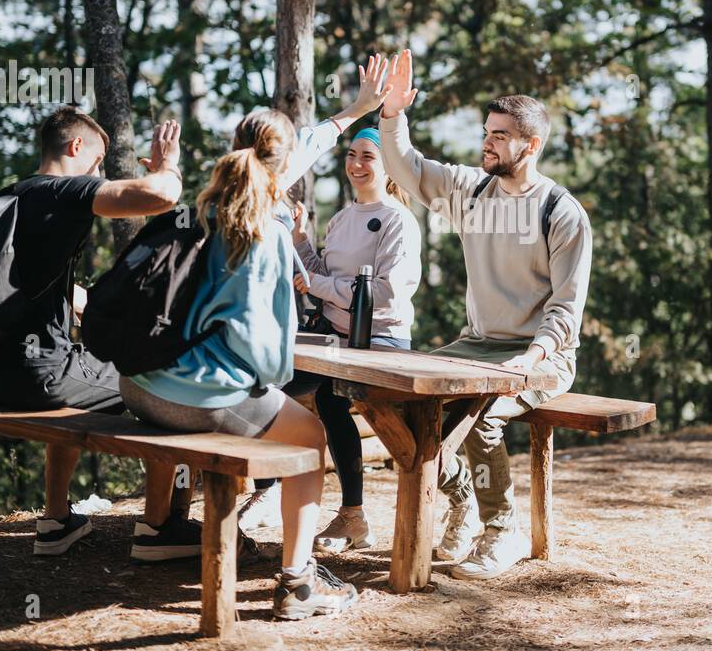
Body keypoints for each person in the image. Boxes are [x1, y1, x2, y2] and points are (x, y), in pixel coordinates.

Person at [119, 60, 390, 618]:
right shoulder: (263, 228)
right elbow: (269, 357)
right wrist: (269, 386)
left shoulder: (203, 206)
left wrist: (356, 110)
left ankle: (157, 529)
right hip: (192, 397)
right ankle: (298, 584)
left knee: (238, 410)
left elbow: (299, 148)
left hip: (136, 385)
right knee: (310, 439)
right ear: (283, 166)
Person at [377, 49, 593, 581]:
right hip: (475, 344)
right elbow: (407, 166)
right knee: (397, 400)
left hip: (544, 356)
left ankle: (503, 530)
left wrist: (530, 357)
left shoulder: (561, 212)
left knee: (484, 417)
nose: (487, 142)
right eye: (487, 132)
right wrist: (392, 116)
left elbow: (566, 308)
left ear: (531, 145)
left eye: (500, 135)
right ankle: (463, 502)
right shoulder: (472, 189)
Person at [0, 107, 183, 556]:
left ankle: (56, 522)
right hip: (39, 375)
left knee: (77, 366)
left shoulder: (13, 196)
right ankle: (159, 529)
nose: (98, 172)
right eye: (97, 160)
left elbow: (38, 289)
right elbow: (160, 197)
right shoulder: (65, 191)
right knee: (168, 389)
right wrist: (168, 163)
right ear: (75, 148)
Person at [280, 126, 421, 554]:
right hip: (334, 339)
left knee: (412, 434)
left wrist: (318, 286)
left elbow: (385, 292)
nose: (356, 165)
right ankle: (346, 515)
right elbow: (318, 276)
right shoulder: (341, 218)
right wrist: (299, 239)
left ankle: (453, 498)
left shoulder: (398, 219)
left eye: (368, 157)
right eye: (351, 155)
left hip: (381, 342)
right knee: (291, 393)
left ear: (388, 165)